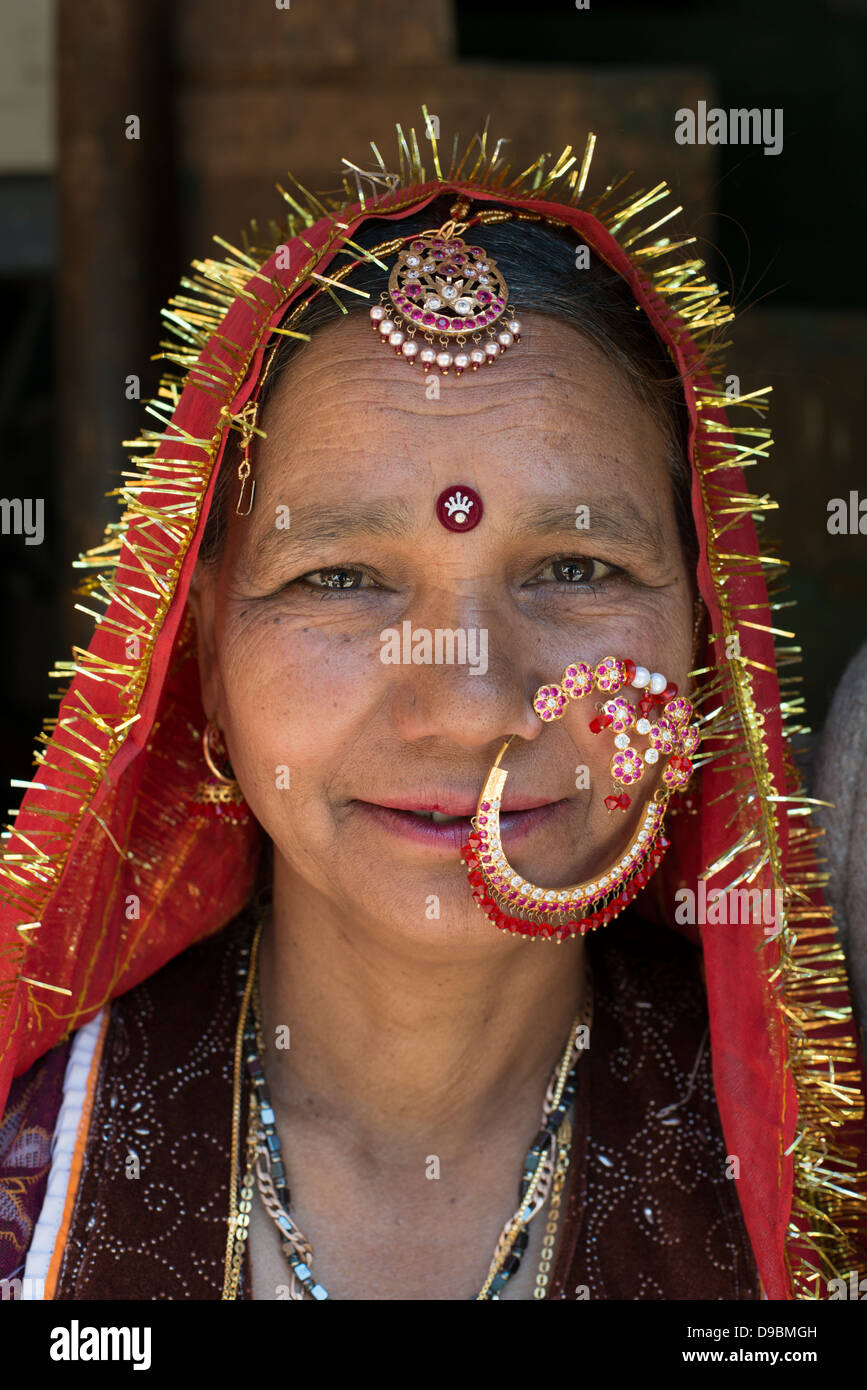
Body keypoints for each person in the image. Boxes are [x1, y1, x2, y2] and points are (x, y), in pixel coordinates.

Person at [0, 113, 864, 1301]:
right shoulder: (30, 1167)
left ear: (709, 629)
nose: (468, 707)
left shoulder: (820, 1161)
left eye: (577, 569)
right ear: (198, 639)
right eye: (341, 579)